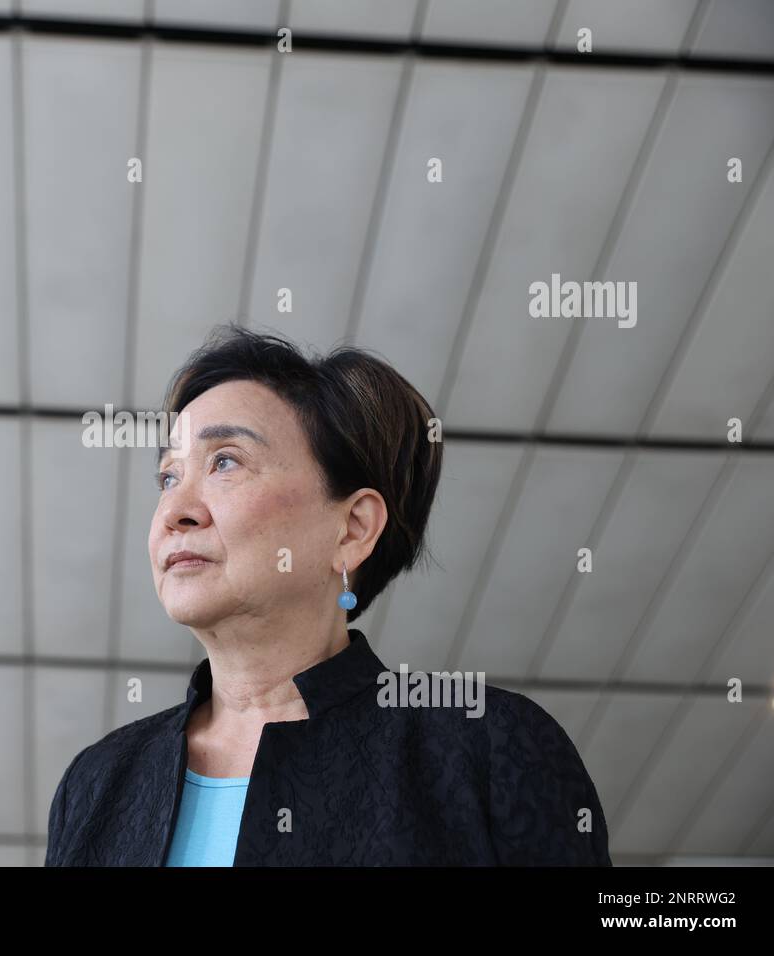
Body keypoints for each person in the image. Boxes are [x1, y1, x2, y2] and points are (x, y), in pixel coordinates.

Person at [46, 324, 610, 866]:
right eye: (169, 476)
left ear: (353, 529)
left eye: (226, 462)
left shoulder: (487, 750)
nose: (175, 511)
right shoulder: (99, 783)